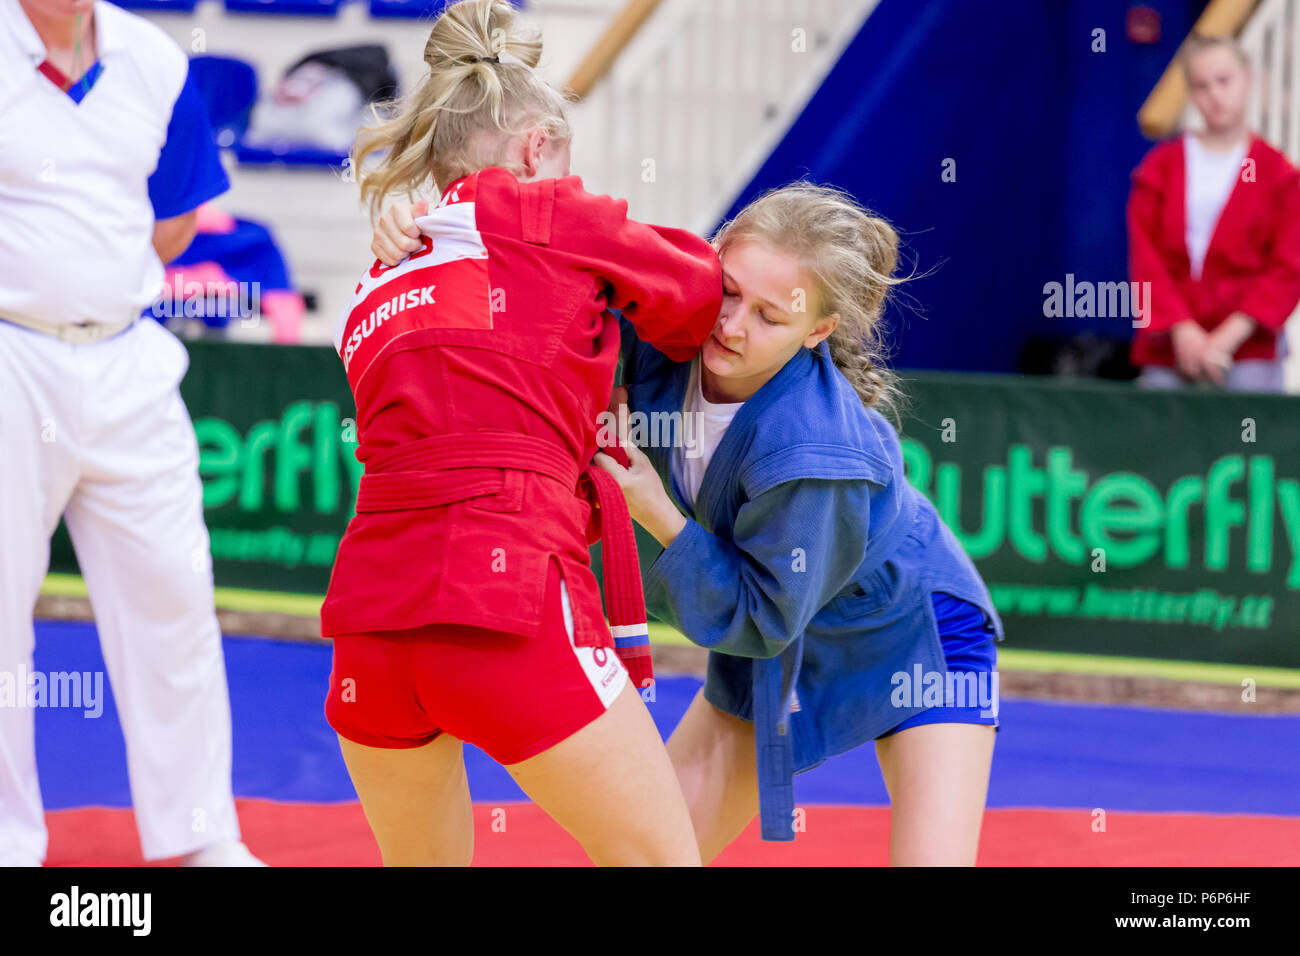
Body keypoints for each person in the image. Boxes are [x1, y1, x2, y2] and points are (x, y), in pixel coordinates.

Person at [322, 0, 722, 866]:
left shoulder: (375, 279)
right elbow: (699, 300)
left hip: (370, 626)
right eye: (566, 162)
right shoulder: (545, 212)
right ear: (537, 146)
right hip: (504, 603)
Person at [597, 183, 1004, 864]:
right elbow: (547, 273)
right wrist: (421, 229)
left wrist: (656, 511)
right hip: (778, 628)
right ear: (710, 257)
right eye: (728, 290)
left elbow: (760, 616)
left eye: (768, 315)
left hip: (911, 628)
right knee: (644, 858)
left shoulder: (814, 447)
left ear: (817, 332)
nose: (730, 325)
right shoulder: (664, 322)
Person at [0, 0, 262, 866]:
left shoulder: (153, 58)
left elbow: (174, 217)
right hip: (7, 354)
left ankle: (200, 840)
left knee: (175, 603)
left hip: (127, 355)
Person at [1129, 33, 1300, 392]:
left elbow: (1288, 265)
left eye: (1224, 81)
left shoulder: (1278, 175)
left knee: (1250, 437)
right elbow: (1146, 258)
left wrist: (1226, 339)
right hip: (1169, 342)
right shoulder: (1160, 167)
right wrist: (1182, 330)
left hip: (1249, 345)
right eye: (1202, 86)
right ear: (1191, 94)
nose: (1215, 95)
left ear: (1248, 80)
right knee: (1159, 438)